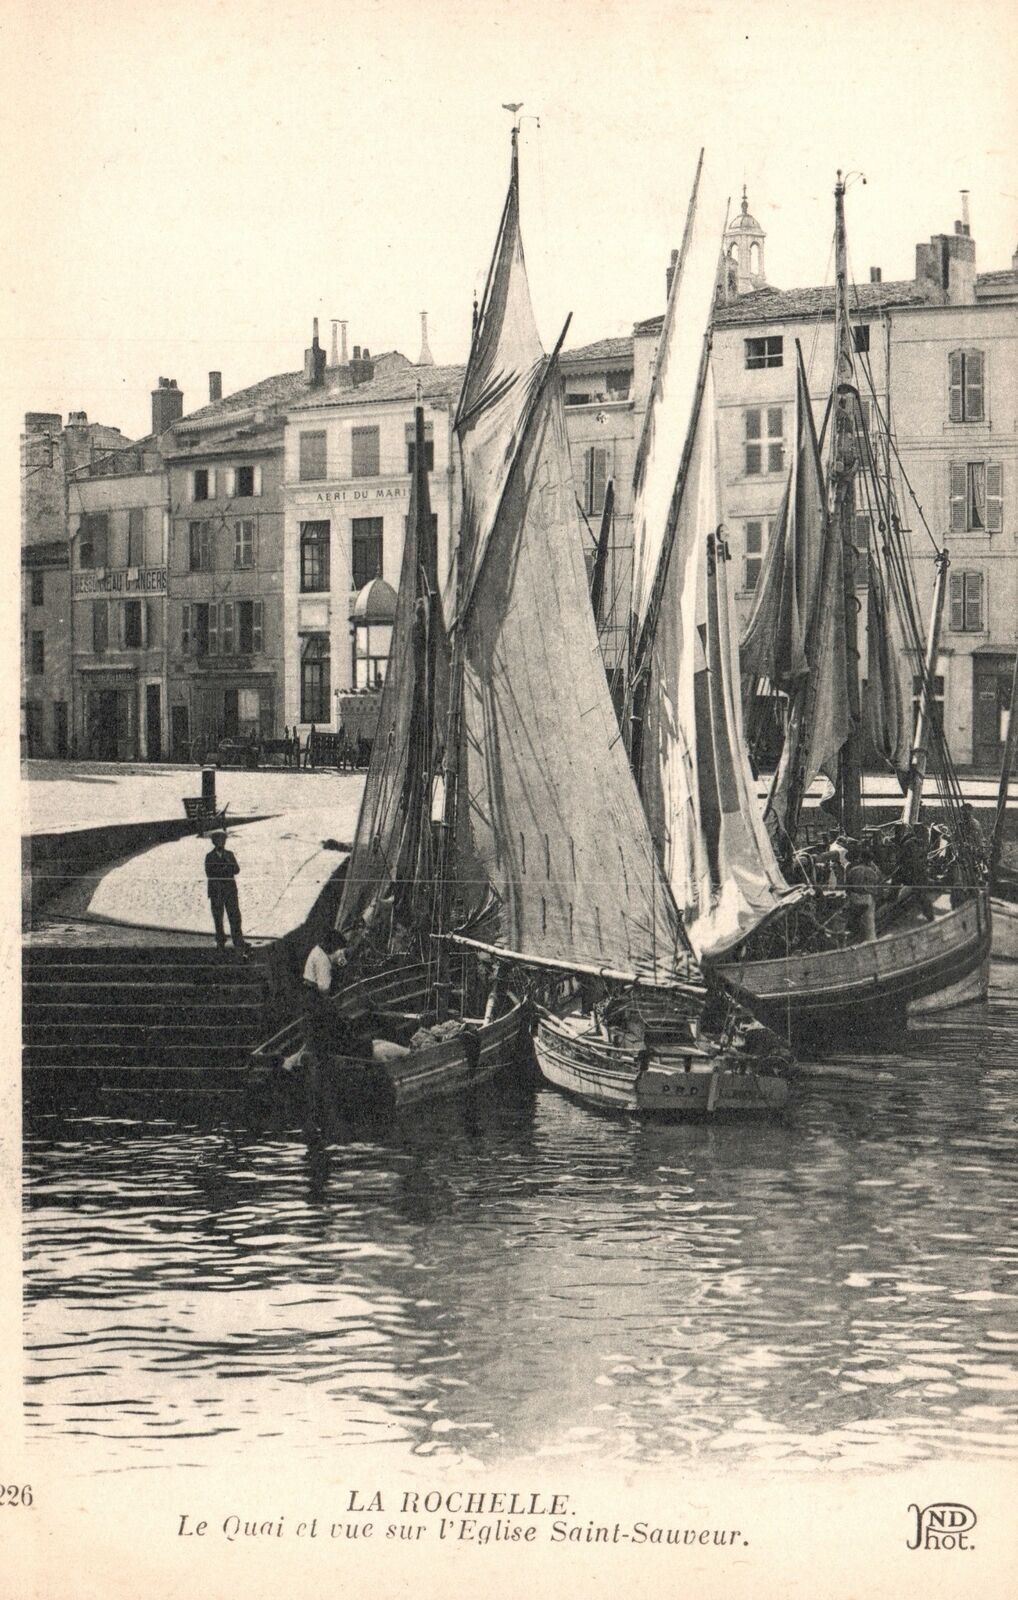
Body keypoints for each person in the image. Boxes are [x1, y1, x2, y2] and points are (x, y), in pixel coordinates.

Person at [302, 928, 348, 1058]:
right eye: (340, 949)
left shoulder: (317, 950)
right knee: (327, 1024)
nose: (341, 953)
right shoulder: (323, 960)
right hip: (314, 996)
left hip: (309, 992)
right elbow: (324, 988)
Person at [205, 828, 246, 955]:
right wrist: (226, 868)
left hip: (230, 890)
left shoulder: (230, 854)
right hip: (216, 891)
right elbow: (209, 873)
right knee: (218, 917)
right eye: (219, 840)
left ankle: (238, 940)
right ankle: (220, 941)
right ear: (214, 841)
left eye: (223, 840)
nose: (222, 842)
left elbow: (237, 869)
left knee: (235, 916)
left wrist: (226, 867)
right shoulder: (209, 856)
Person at [845, 841, 882, 944]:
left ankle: (855, 939)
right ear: (870, 861)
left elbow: (847, 887)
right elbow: (878, 887)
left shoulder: (852, 870)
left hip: (854, 898)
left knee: (855, 920)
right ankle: (871, 942)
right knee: (869, 924)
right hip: (867, 899)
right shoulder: (872, 872)